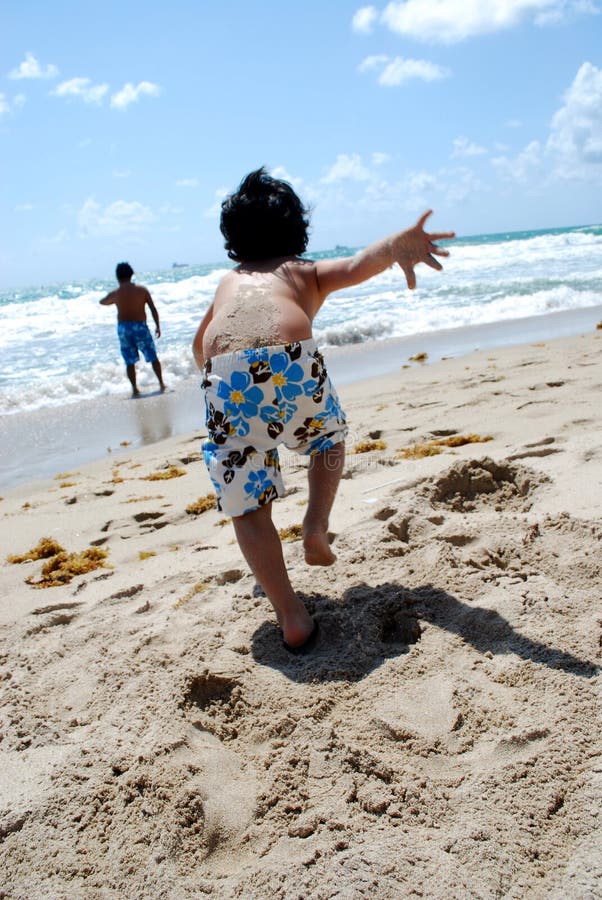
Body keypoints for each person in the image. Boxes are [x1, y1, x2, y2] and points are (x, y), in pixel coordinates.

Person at [192, 168, 454, 651]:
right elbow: (358, 265)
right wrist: (397, 243)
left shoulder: (228, 282)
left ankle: (291, 615)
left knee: (248, 509)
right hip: (290, 364)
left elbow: (199, 346)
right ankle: (315, 525)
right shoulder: (302, 272)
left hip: (224, 376)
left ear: (233, 238)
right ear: (297, 233)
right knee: (328, 440)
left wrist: (222, 395)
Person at [100, 262, 166, 396]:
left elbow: (103, 301)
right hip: (140, 326)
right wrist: (157, 326)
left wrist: (116, 298)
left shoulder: (116, 293)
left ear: (117, 277)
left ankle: (135, 389)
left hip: (124, 328)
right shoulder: (142, 290)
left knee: (129, 361)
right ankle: (161, 383)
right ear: (132, 274)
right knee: (152, 356)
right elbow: (153, 308)